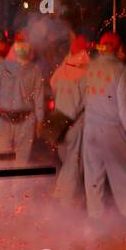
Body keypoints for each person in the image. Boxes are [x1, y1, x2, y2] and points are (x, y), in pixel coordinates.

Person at [79, 31, 126, 221]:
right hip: (112, 130)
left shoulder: (89, 67)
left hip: (90, 129)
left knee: (93, 176)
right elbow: (125, 107)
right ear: (117, 48)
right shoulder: (120, 69)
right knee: (121, 174)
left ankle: (95, 219)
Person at [0, 32, 45, 163]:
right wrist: (40, 120)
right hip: (21, 119)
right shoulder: (35, 70)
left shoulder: (1, 67)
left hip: (10, 118)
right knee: (19, 159)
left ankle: (2, 177)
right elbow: (39, 96)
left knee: (3, 158)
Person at [49, 34, 89, 202]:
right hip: (74, 122)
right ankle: (64, 199)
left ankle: (66, 196)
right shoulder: (86, 71)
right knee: (73, 162)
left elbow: (52, 84)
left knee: (66, 159)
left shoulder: (63, 68)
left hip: (58, 120)